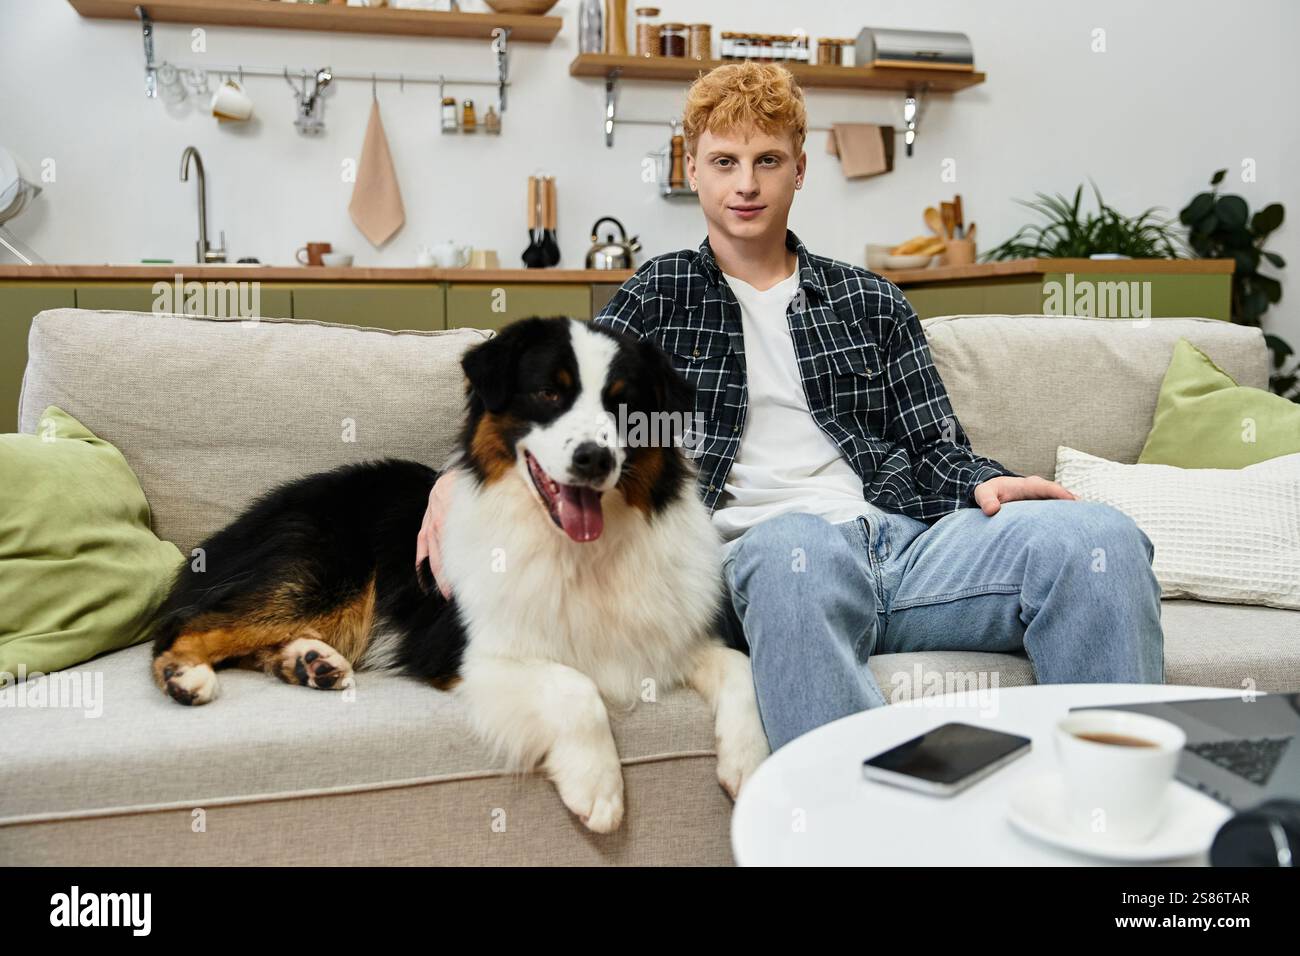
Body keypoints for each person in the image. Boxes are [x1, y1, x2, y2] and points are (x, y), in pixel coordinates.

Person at [417, 62, 1163, 751]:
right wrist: (455, 482)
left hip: (901, 547)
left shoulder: (871, 300)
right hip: (760, 563)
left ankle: (1118, 819)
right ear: (694, 171)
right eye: (724, 162)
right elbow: (558, 408)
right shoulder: (651, 301)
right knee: (791, 548)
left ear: (799, 170)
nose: (746, 184)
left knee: (1095, 537)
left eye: (767, 161)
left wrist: (983, 481)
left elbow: (934, 442)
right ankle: (876, 826)